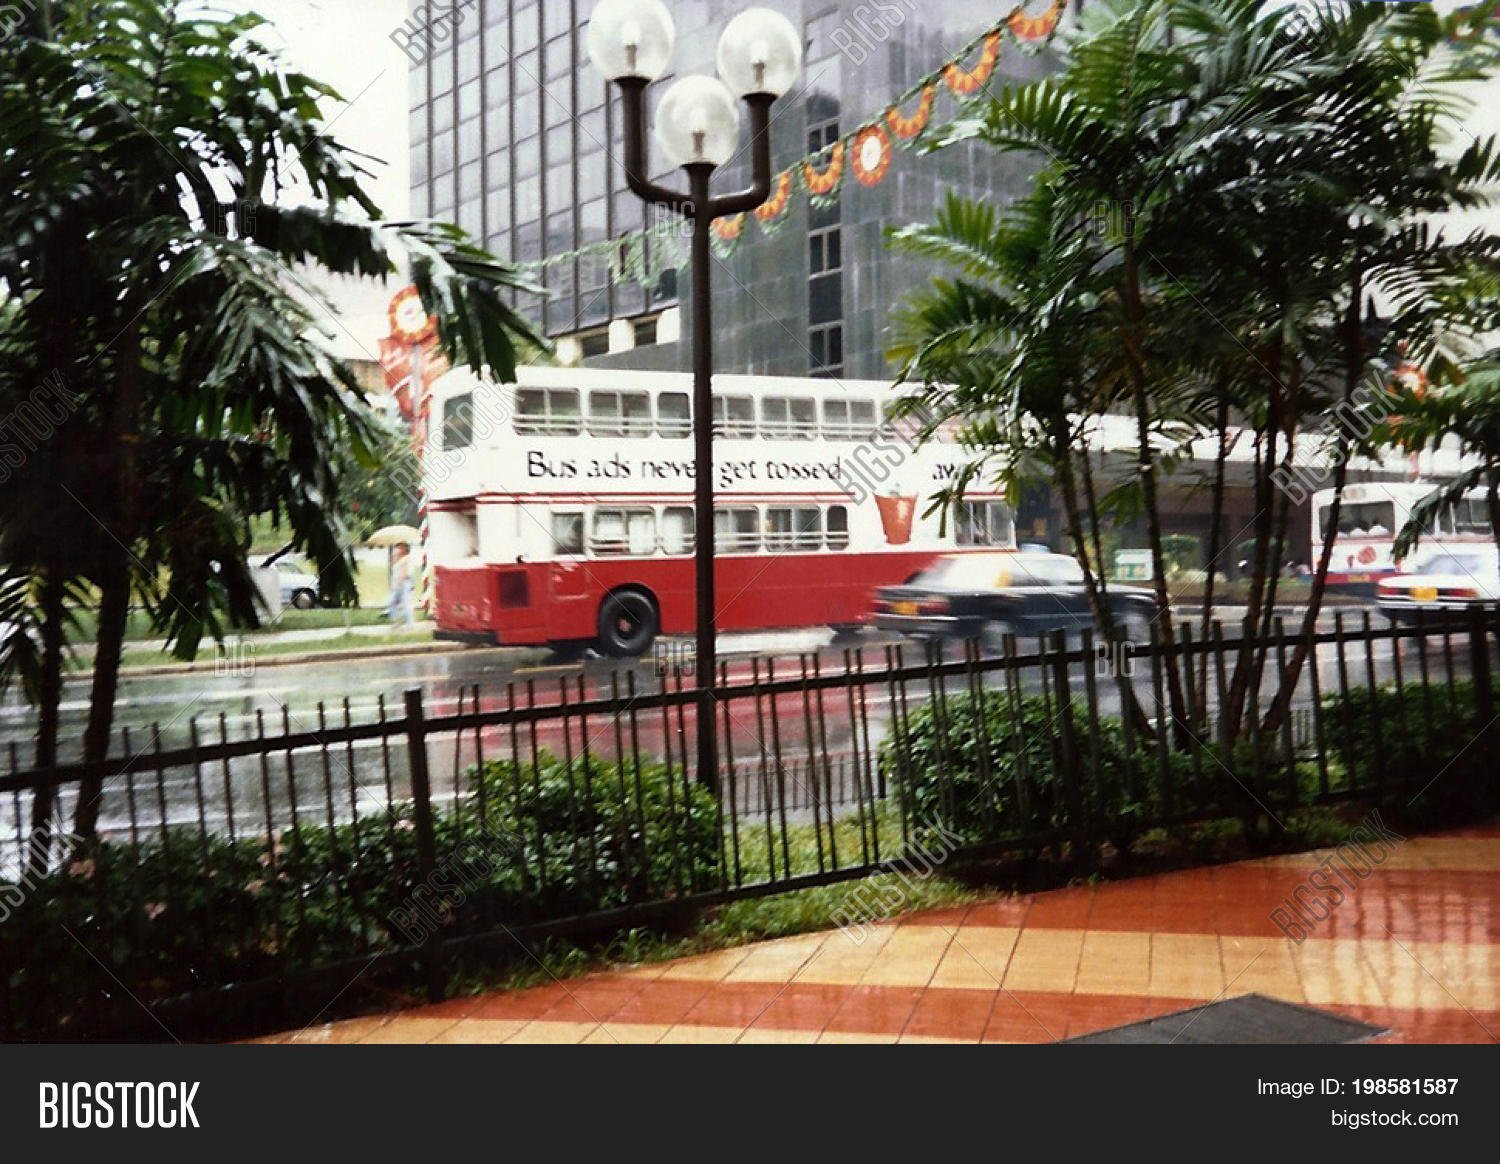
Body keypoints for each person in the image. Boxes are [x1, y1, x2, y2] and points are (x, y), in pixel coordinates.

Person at [386, 543, 416, 629]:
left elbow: (405, 573)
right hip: (398, 583)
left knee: (406, 603)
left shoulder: (406, 559)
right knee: (391, 602)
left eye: (401, 547)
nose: (398, 549)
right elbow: (390, 563)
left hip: (404, 583)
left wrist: (398, 583)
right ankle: (397, 621)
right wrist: (395, 555)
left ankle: (410, 624)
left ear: (405, 548)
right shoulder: (399, 558)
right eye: (398, 547)